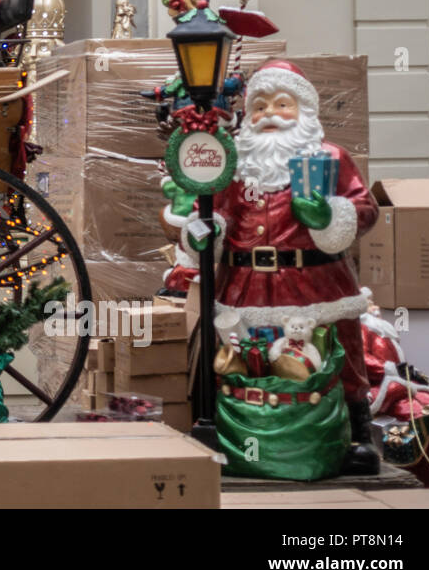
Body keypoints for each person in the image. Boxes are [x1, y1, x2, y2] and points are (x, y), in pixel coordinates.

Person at [163, 60, 381, 473]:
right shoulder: (233, 164)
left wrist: (329, 214)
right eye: (259, 107)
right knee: (247, 357)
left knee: (336, 354)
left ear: (304, 111)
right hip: (246, 285)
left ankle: (355, 436)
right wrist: (203, 231)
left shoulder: (330, 158)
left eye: (283, 105)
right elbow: (212, 214)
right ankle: (244, 442)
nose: (269, 116)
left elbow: (364, 209)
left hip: (317, 283)